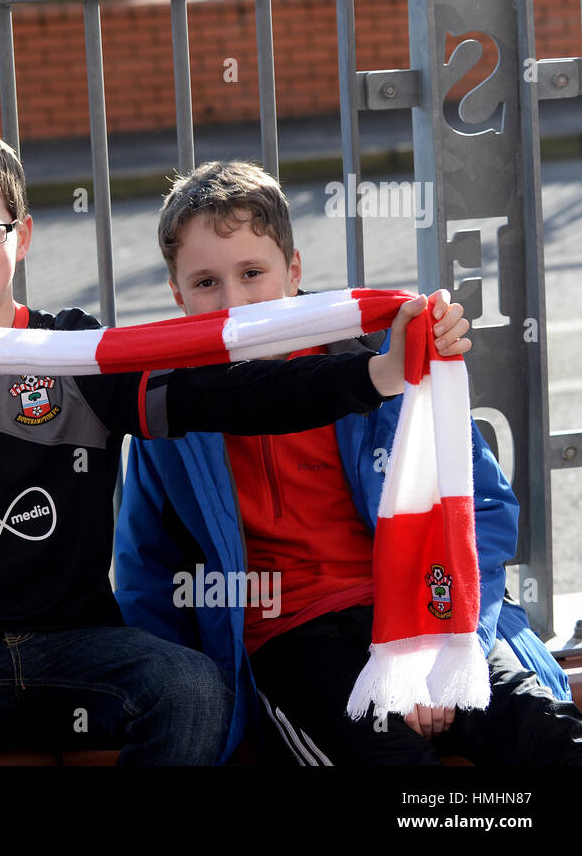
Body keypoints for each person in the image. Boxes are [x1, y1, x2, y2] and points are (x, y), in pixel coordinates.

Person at [0, 122, 470, 765]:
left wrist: (375, 371)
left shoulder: (78, 349)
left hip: (81, 645)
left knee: (191, 691)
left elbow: (225, 395)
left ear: (22, 237)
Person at [115, 160, 582, 765]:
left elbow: (482, 513)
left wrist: (444, 643)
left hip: (435, 613)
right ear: (177, 295)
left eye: (253, 273)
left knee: (548, 736)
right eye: (206, 283)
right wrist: (206, 703)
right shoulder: (169, 412)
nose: (235, 303)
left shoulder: (384, 357)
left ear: (294, 272)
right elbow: (149, 576)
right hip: (293, 639)